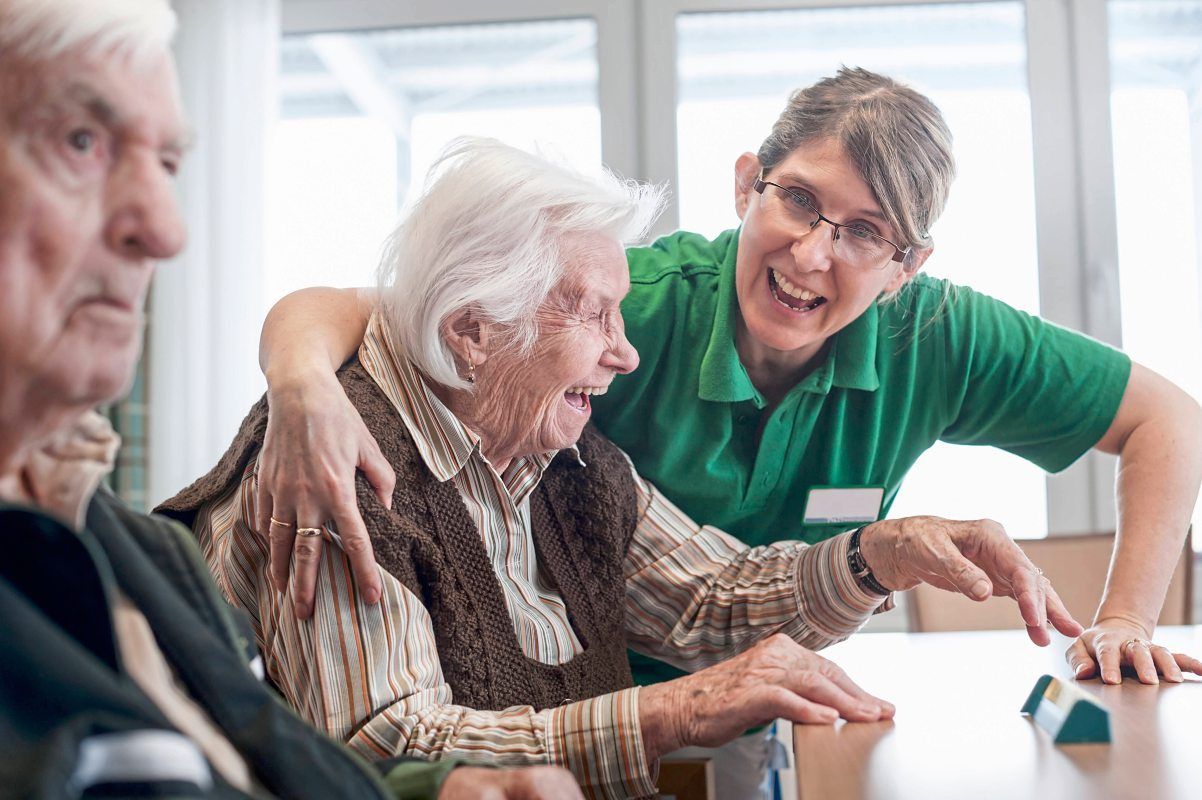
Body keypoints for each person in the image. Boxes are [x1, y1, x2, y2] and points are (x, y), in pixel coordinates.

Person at [252, 68, 1202, 797]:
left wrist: (882, 555)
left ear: (907, 264)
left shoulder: (581, 442)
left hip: (721, 708)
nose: (815, 251)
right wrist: (300, 381)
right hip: (576, 739)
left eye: (867, 234)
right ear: (749, 185)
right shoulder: (613, 310)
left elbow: (708, 597)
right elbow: (398, 306)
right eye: (799, 201)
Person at [0, 2, 581, 798]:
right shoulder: (356, 483)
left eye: (169, 163)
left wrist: (440, 793)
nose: (166, 230)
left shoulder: (150, 561)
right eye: (81, 143)